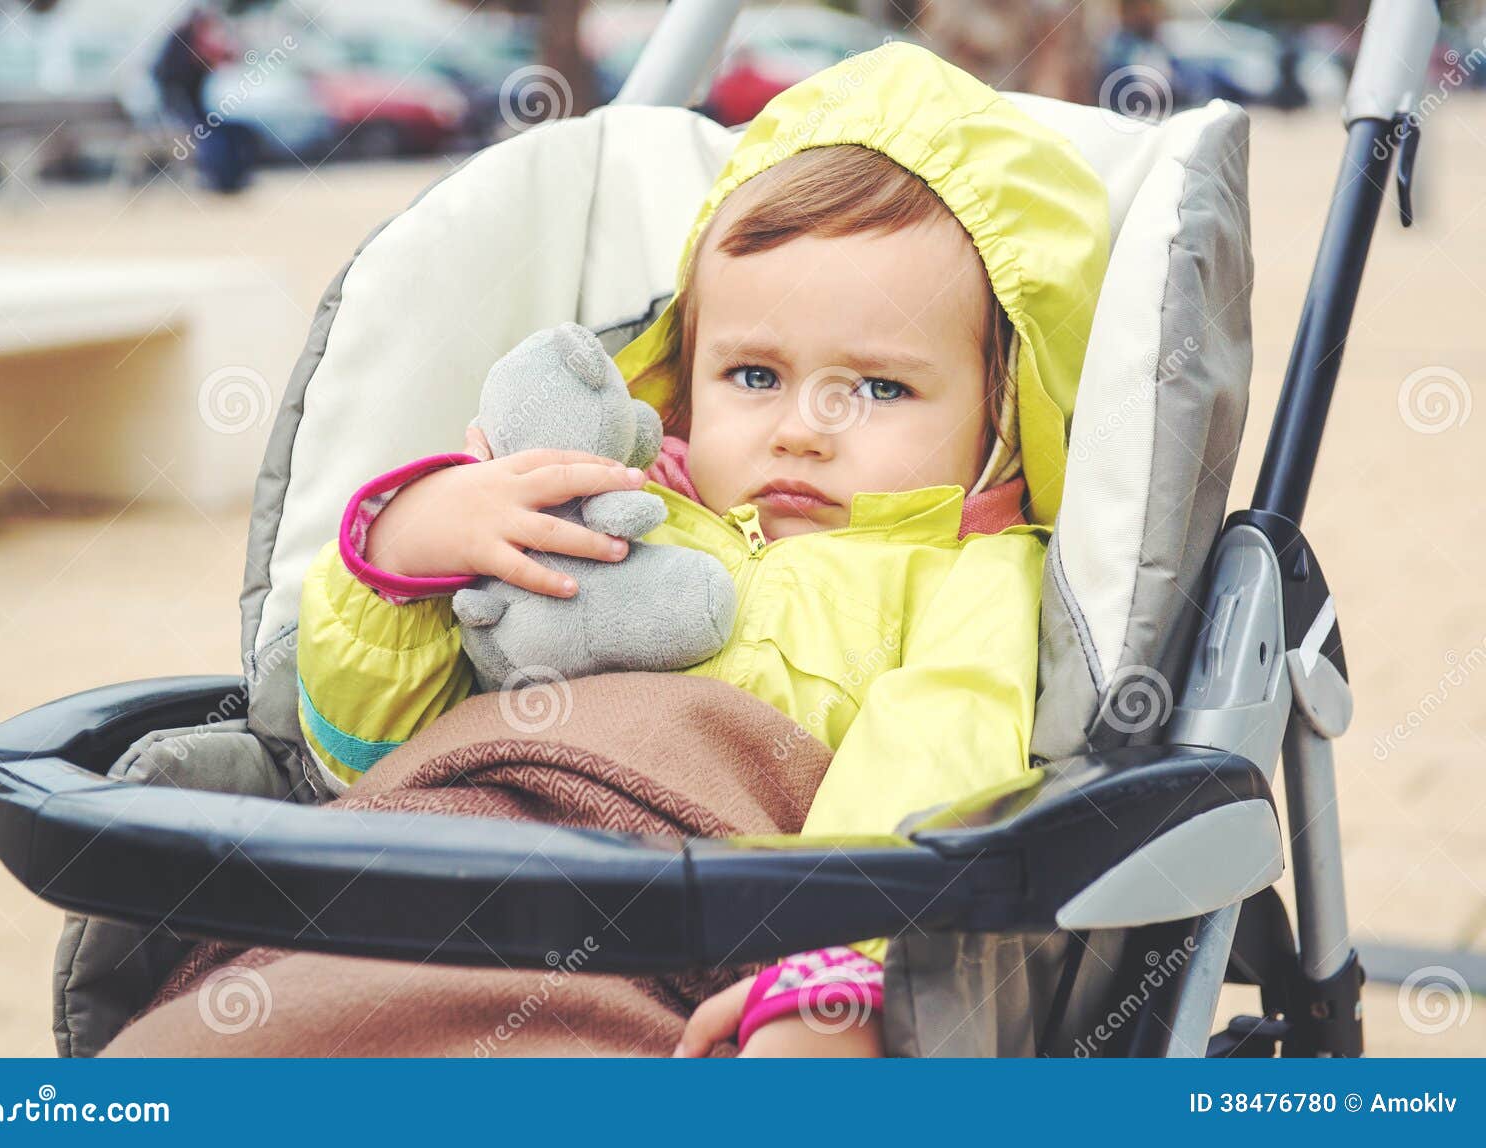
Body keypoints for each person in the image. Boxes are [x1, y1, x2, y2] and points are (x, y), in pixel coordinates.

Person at [297, 41, 1109, 1056]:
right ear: (684, 371)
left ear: (1003, 417)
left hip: (681, 933)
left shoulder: (972, 573)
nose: (801, 427)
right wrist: (413, 547)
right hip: (416, 863)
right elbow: (352, 751)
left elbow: (940, 755)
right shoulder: (603, 504)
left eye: (880, 387)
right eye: (753, 375)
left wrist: (833, 967)